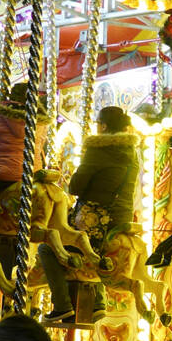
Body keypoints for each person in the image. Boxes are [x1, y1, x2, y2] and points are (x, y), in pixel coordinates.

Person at [39, 106, 138, 324]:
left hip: (95, 217)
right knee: (94, 249)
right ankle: (99, 302)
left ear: (103, 126)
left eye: (97, 124)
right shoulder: (132, 152)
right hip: (121, 218)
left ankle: (62, 305)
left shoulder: (98, 149)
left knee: (47, 246)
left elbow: (76, 186)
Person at [0, 82, 51, 208]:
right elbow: (41, 145)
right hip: (33, 172)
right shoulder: (41, 120)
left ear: (12, 96)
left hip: (3, 172)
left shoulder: (0, 114)